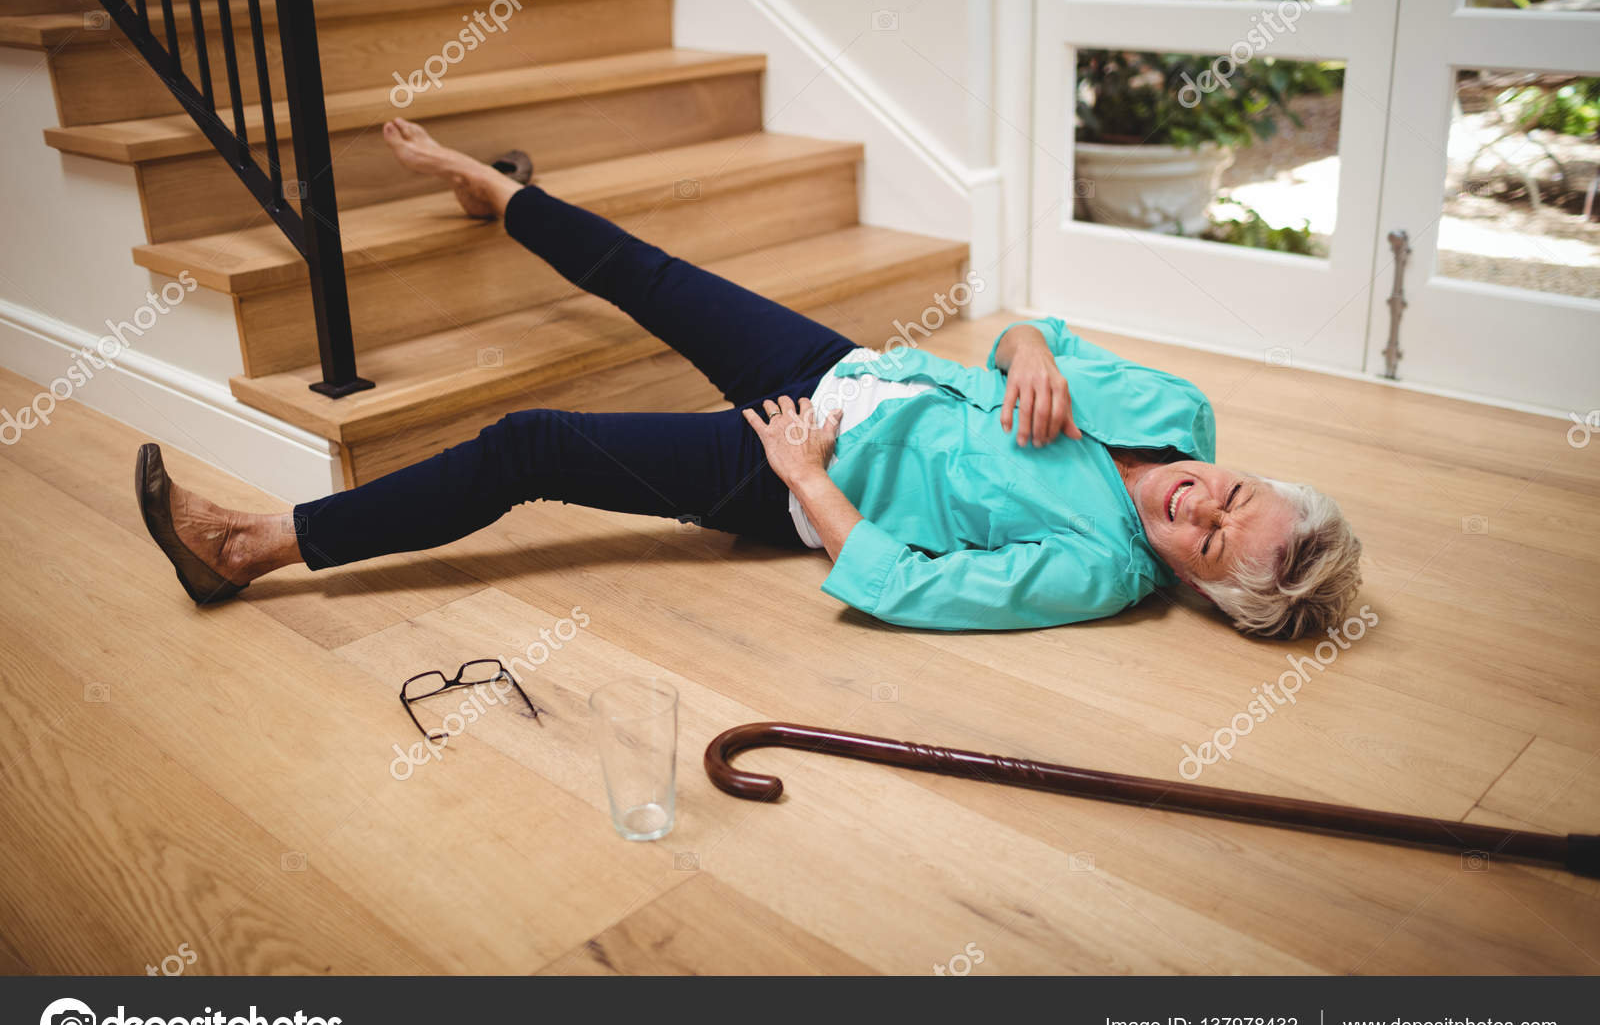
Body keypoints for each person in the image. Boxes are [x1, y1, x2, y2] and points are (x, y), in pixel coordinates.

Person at [136, 118, 1361, 638]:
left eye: (1205, 544)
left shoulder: (1096, 571)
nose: (1196, 503)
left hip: (796, 460)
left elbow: (899, 588)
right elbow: (1028, 340)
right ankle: (498, 192)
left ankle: (252, 549)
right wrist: (1029, 346)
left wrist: (801, 477)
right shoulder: (1176, 416)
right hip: (858, 372)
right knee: (657, 279)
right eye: (1232, 493)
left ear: (1197, 591)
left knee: (533, 448)